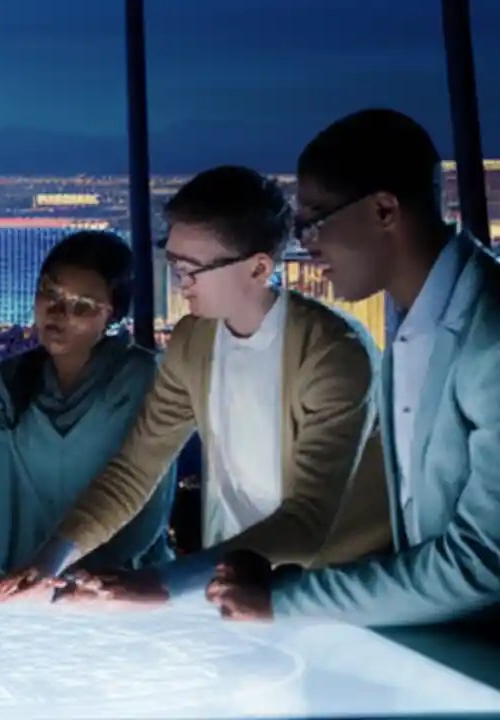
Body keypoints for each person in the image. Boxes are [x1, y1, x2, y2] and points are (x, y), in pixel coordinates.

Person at [0, 165, 391, 604]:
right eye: (174, 263)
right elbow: (134, 470)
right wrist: (49, 562)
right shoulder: (192, 342)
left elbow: (307, 519)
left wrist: (161, 583)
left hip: (335, 594)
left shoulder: (333, 353)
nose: (181, 282)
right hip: (235, 590)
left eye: (193, 270)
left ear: (258, 269)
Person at [209, 110, 500, 626]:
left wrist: (285, 600)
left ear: (384, 210)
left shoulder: (490, 337)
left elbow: (482, 561)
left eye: (315, 220)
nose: (307, 244)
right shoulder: (409, 318)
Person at [0, 231, 174, 581]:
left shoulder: (142, 379)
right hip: (21, 585)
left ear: (112, 315)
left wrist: (83, 576)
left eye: (81, 306)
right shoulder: (6, 382)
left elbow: (146, 504)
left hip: (118, 586)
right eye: (49, 294)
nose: (58, 313)